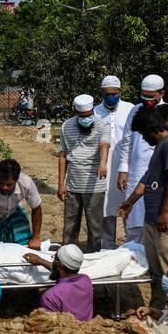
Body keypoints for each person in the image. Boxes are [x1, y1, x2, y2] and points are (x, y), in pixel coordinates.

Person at [118, 105, 168, 317]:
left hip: (167, 220)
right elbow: (147, 180)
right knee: (156, 273)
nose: (143, 139)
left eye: (142, 133)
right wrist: (129, 202)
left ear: (150, 129)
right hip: (152, 220)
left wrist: (164, 211)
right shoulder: (160, 147)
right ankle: (157, 311)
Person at [112, 74, 166, 245]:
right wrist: (123, 170)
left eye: (151, 96)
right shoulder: (135, 111)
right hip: (136, 171)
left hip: (160, 171)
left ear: (161, 93)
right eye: (144, 95)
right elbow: (126, 140)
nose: (147, 99)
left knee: (156, 211)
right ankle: (133, 249)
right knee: (133, 213)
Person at [58, 94, 109, 251]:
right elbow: (63, 156)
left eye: (88, 116)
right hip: (73, 184)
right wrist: (61, 184)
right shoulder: (67, 126)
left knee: (95, 228)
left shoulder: (102, 125)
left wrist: (102, 163)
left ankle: (93, 257)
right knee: (70, 226)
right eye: (82, 116)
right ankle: (68, 256)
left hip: (95, 186)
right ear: (76, 113)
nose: (85, 119)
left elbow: (104, 145)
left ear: (93, 111)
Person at [94, 75, 134, 248]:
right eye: (106, 93)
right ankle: (107, 246)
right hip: (103, 167)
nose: (111, 97)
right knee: (105, 207)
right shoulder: (94, 112)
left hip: (126, 167)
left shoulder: (130, 109)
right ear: (102, 93)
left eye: (114, 93)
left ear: (119, 92)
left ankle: (131, 243)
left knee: (129, 204)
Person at [25, 243, 93, 321]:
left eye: (54, 258)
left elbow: (50, 326)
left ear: (60, 265)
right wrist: (41, 261)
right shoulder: (86, 280)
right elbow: (63, 270)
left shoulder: (50, 297)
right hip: (87, 329)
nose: (53, 261)